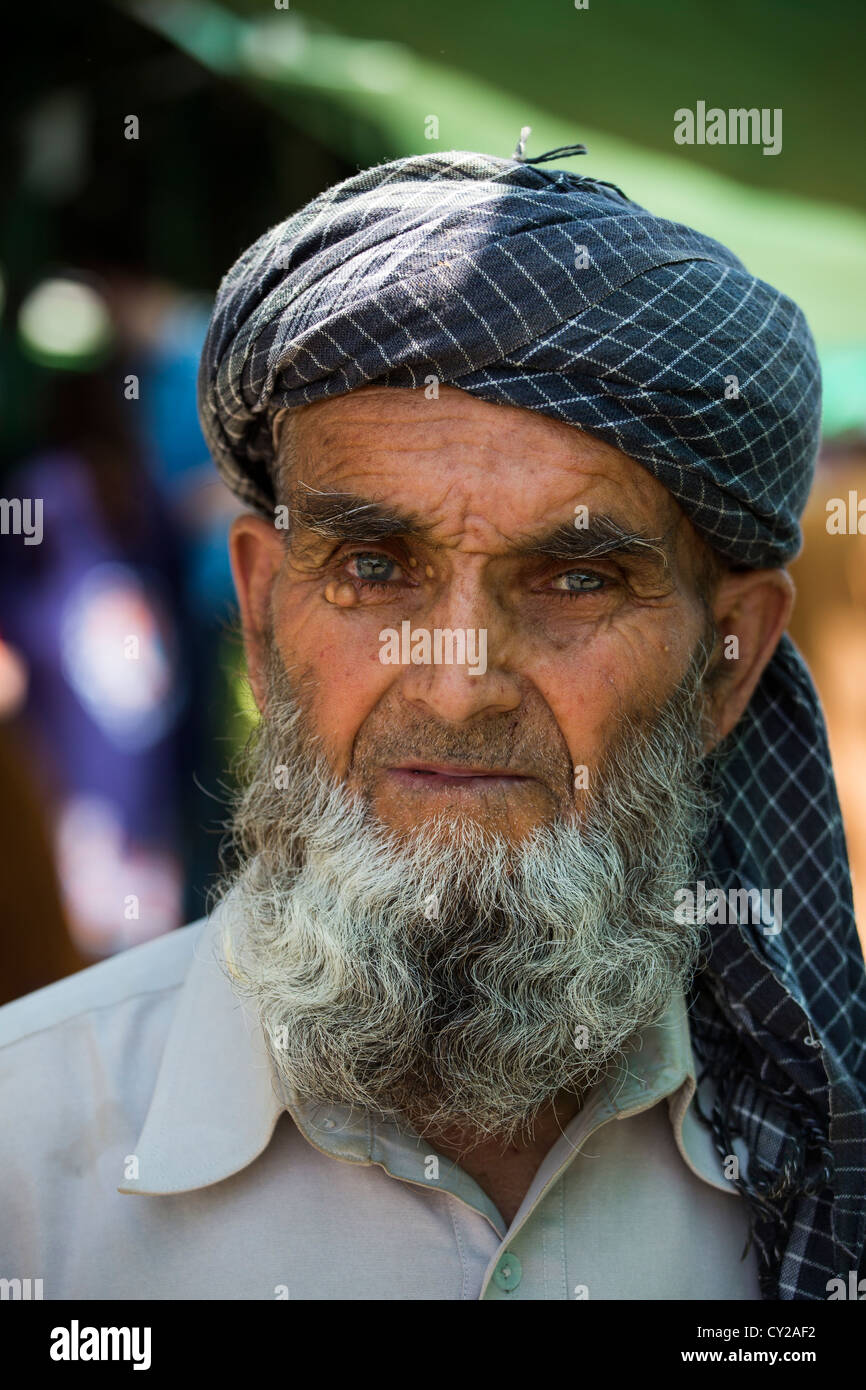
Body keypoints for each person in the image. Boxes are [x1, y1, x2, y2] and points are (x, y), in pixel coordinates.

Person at [1, 147, 864, 1302]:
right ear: (260, 614)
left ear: (727, 660)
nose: (458, 686)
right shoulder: (24, 1160)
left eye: (573, 579)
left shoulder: (819, 1157)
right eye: (373, 564)